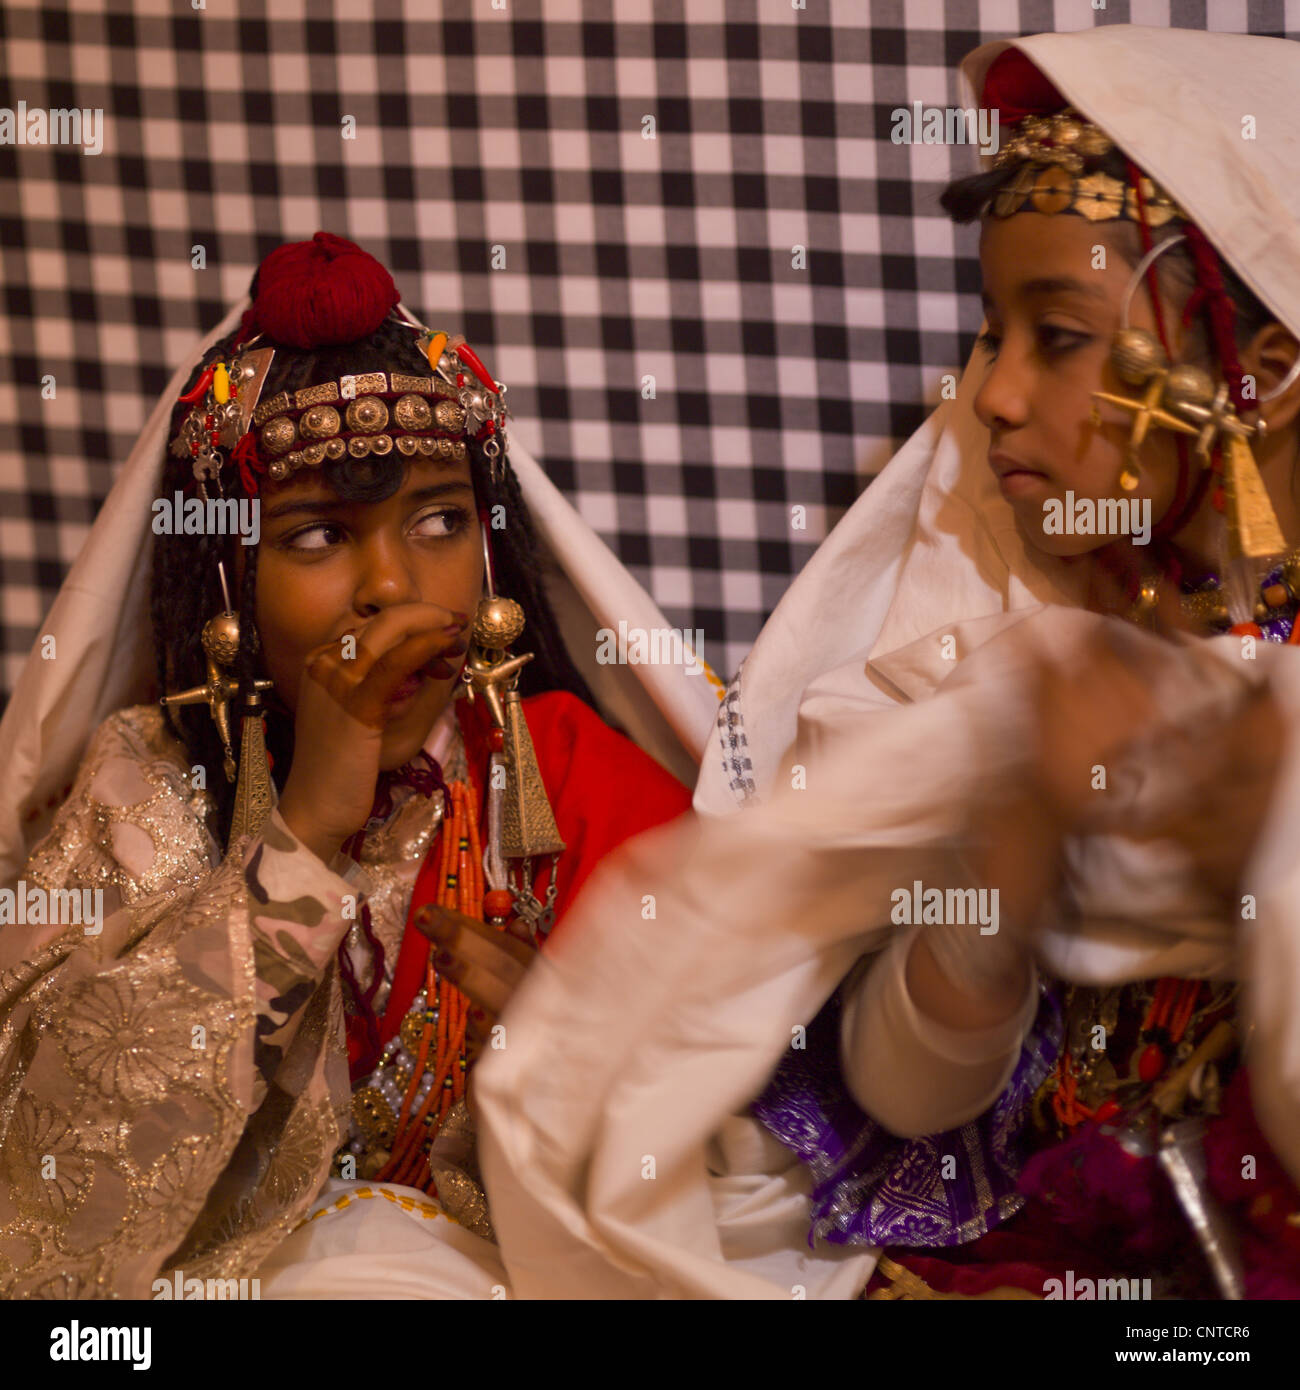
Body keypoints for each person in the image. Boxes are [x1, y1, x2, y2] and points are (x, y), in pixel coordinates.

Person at [470, 26, 1300, 1298]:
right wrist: (998, 885)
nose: (992, 398)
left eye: (1058, 336)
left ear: (1271, 372)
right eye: (990, 331)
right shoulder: (999, 670)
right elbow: (912, 1100)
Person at [0, 232, 720, 1299]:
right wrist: (296, 850)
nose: (392, 585)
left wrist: (568, 1047)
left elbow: (727, 1168)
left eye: (438, 519)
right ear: (225, 579)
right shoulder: (137, 795)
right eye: (316, 537)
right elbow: (43, 1209)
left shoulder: (576, 785)